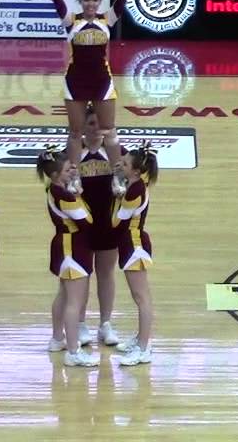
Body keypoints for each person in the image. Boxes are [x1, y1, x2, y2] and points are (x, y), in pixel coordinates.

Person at [37, 0, 143, 186]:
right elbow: (57, 1)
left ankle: (117, 177)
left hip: (102, 82)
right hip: (75, 82)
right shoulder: (71, 21)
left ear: (99, 2)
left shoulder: (107, 20)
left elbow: (122, 0)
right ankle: (75, 178)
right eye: (86, 0)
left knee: (109, 131)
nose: (91, 4)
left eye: (95, 0)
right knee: (76, 133)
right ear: (81, 1)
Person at [71, 106, 126, 349]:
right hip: (81, 224)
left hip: (107, 222)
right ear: (82, 127)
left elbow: (127, 182)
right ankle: (81, 323)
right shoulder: (73, 154)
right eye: (90, 124)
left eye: (99, 124)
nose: (95, 129)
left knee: (106, 274)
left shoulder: (115, 154)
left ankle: (105, 324)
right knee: (82, 276)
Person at [38, 150, 99, 367]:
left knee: (63, 295)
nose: (71, 172)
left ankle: (57, 339)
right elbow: (87, 221)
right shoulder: (63, 194)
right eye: (66, 170)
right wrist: (79, 195)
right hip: (73, 247)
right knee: (74, 301)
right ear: (55, 175)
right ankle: (73, 352)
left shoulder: (55, 189)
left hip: (65, 246)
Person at [109, 145, 157, 366]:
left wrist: (116, 193)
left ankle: (144, 348)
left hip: (134, 244)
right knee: (140, 297)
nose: (122, 164)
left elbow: (116, 222)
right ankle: (140, 340)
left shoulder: (135, 190)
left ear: (136, 172)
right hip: (130, 243)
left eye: (125, 164)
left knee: (141, 298)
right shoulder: (135, 184)